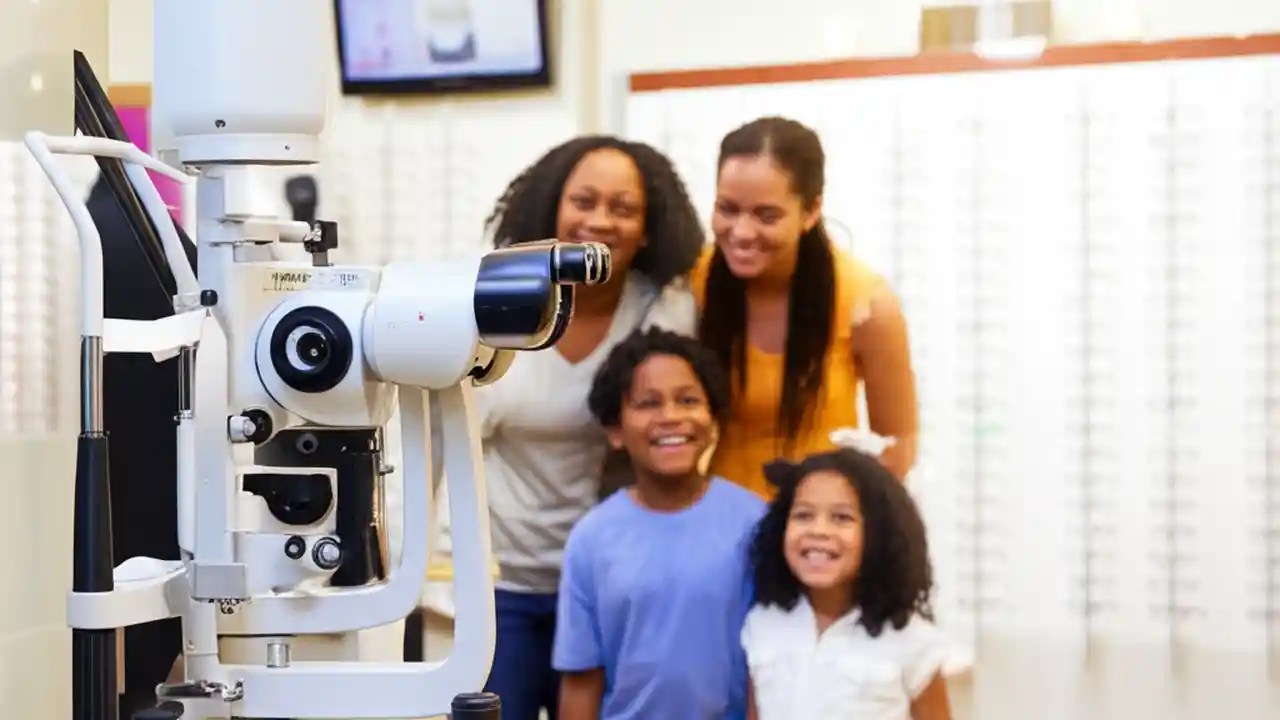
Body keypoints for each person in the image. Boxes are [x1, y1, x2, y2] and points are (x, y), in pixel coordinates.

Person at [472, 136, 706, 720]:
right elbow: (440, 445)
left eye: (623, 208)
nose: (600, 220)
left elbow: (675, 435)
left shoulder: (664, 310)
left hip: (609, 581)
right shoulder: (495, 299)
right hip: (498, 586)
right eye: (584, 200)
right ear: (554, 207)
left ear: (649, 229)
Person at [690, 116, 919, 496]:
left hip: (813, 532)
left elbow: (897, 448)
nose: (742, 232)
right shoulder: (694, 284)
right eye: (727, 209)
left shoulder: (866, 302)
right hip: (719, 525)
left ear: (811, 211)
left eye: (767, 215)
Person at [555, 327, 766, 719]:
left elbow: (772, 664)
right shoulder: (593, 538)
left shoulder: (756, 523)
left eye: (688, 400)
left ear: (712, 418)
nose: (671, 417)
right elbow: (582, 679)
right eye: (648, 403)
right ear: (615, 430)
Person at [742, 448, 950, 720]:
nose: (819, 530)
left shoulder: (911, 640)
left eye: (841, 518)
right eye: (804, 515)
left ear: (878, 534)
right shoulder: (763, 623)